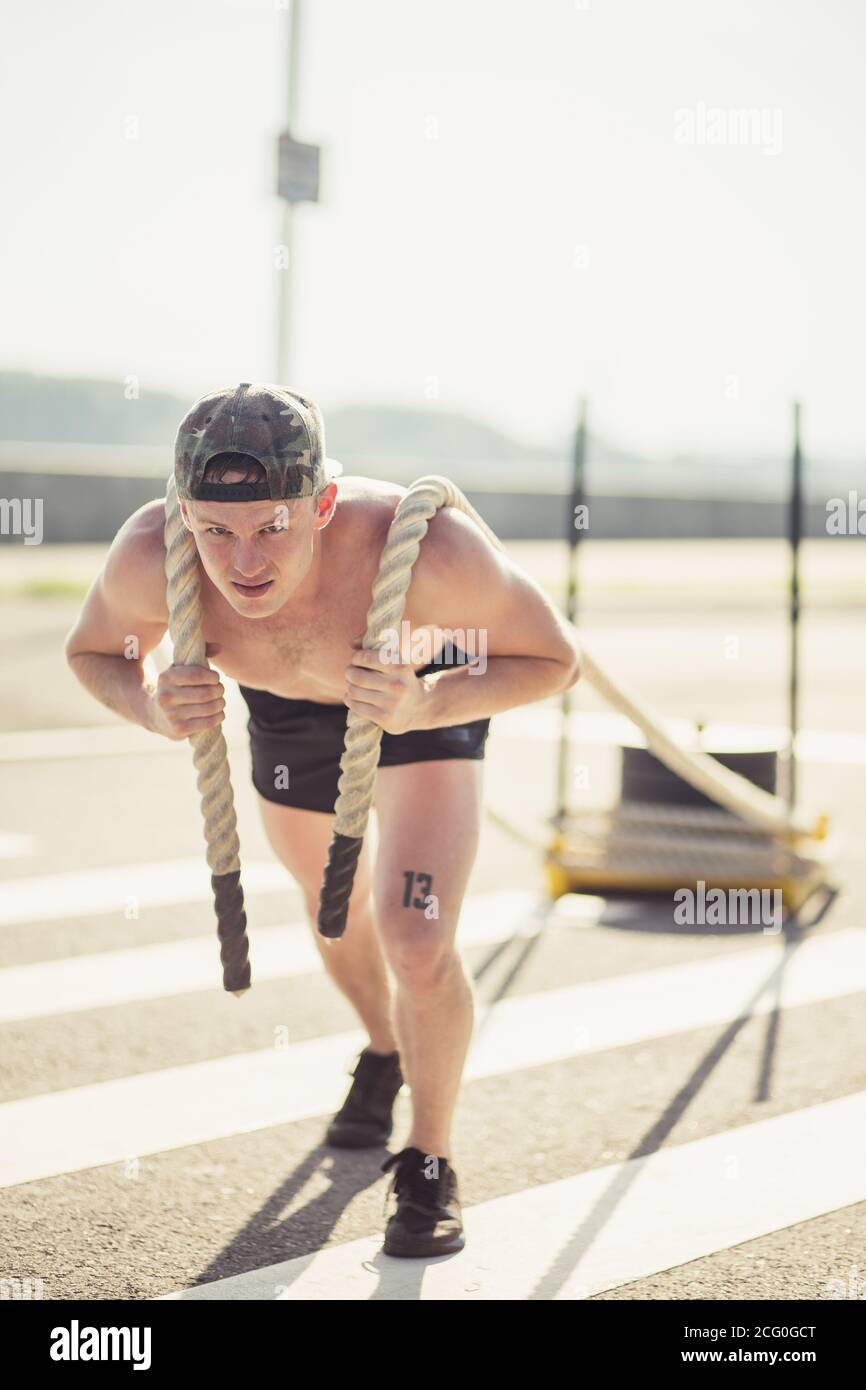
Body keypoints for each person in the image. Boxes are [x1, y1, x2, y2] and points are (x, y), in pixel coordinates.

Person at [65, 382, 581, 1258]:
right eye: (216, 530)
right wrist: (151, 704)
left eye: (272, 526)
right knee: (328, 907)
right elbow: (92, 652)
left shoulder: (431, 556)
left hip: (416, 695)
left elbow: (554, 659)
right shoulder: (152, 553)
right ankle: (383, 1049)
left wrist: (427, 703)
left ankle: (429, 1158)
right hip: (289, 714)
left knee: (415, 939)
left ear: (323, 503)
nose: (244, 563)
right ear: (184, 510)